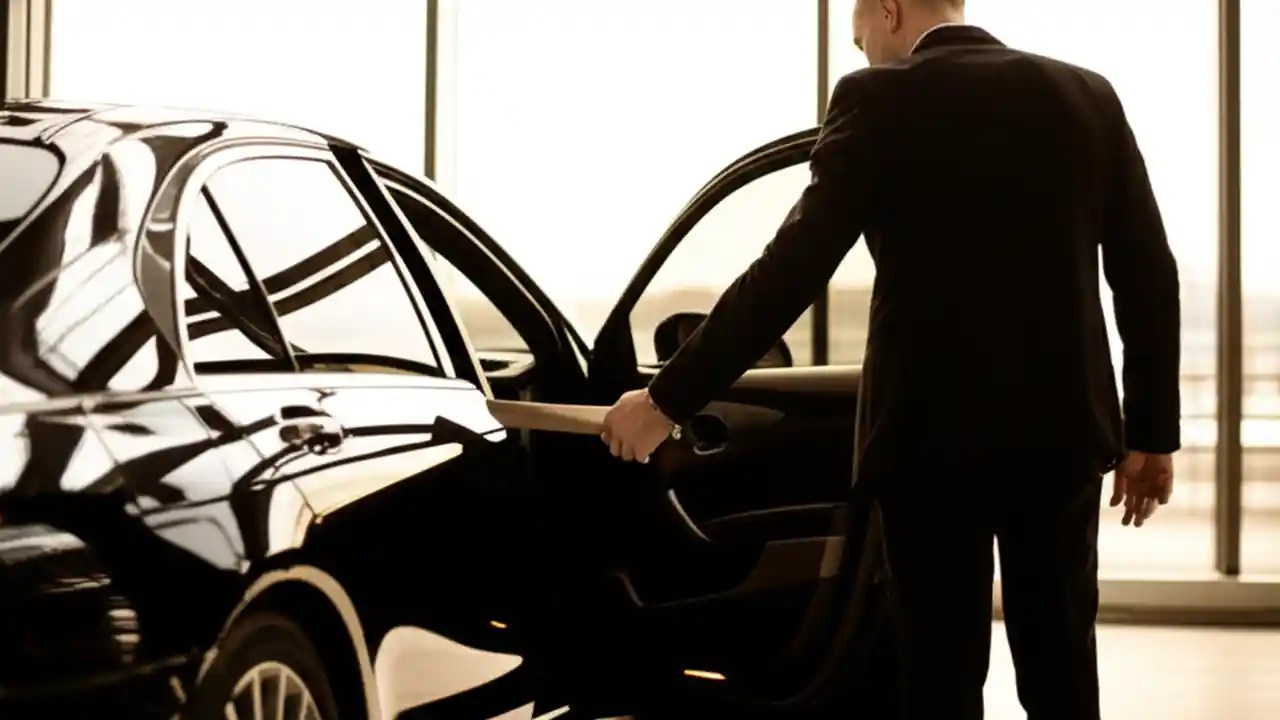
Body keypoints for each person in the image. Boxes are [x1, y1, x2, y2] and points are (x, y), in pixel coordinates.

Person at [600, 0, 1181, 718]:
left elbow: (789, 272)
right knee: (1061, 669)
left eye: (861, 39)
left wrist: (666, 399)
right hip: (1060, 434)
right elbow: (1147, 272)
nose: (866, 53)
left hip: (928, 441)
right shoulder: (1086, 95)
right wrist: (1151, 433)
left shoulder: (875, 98)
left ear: (889, 10)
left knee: (940, 678)